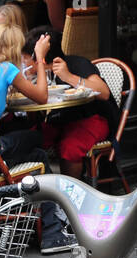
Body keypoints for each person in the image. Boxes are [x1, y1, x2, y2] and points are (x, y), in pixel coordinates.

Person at [0, 22, 75, 253]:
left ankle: (36, 224)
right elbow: (41, 97)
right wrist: (40, 58)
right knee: (37, 143)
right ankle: (51, 233)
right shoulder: (6, 69)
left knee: (33, 148)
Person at [22, 26, 115, 181]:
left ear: (40, 57)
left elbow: (104, 92)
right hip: (61, 119)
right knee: (28, 140)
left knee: (69, 147)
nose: (23, 62)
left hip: (92, 118)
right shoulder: (37, 76)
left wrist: (69, 76)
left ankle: (70, 195)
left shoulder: (75, 63)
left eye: (25, 58)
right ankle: (39, 192)